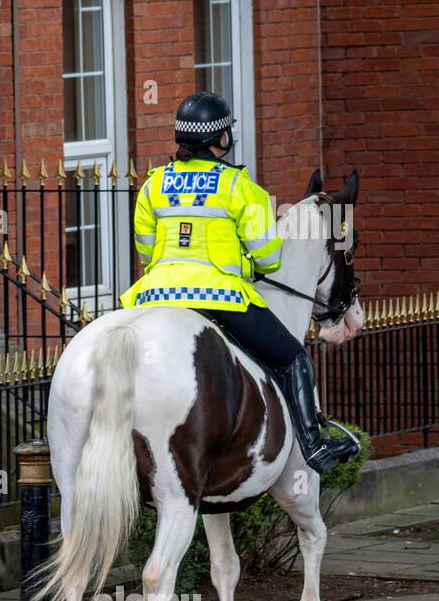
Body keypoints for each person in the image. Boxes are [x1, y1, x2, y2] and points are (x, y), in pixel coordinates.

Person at [120, 91, 359, 473]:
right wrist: (242, 261)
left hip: (155, 297)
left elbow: (146, 252)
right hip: (219, 296)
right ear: (221, 140)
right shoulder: (239, 187)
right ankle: (314, 447)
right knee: (293, 358)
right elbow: (268, 257)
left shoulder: (153, 185)